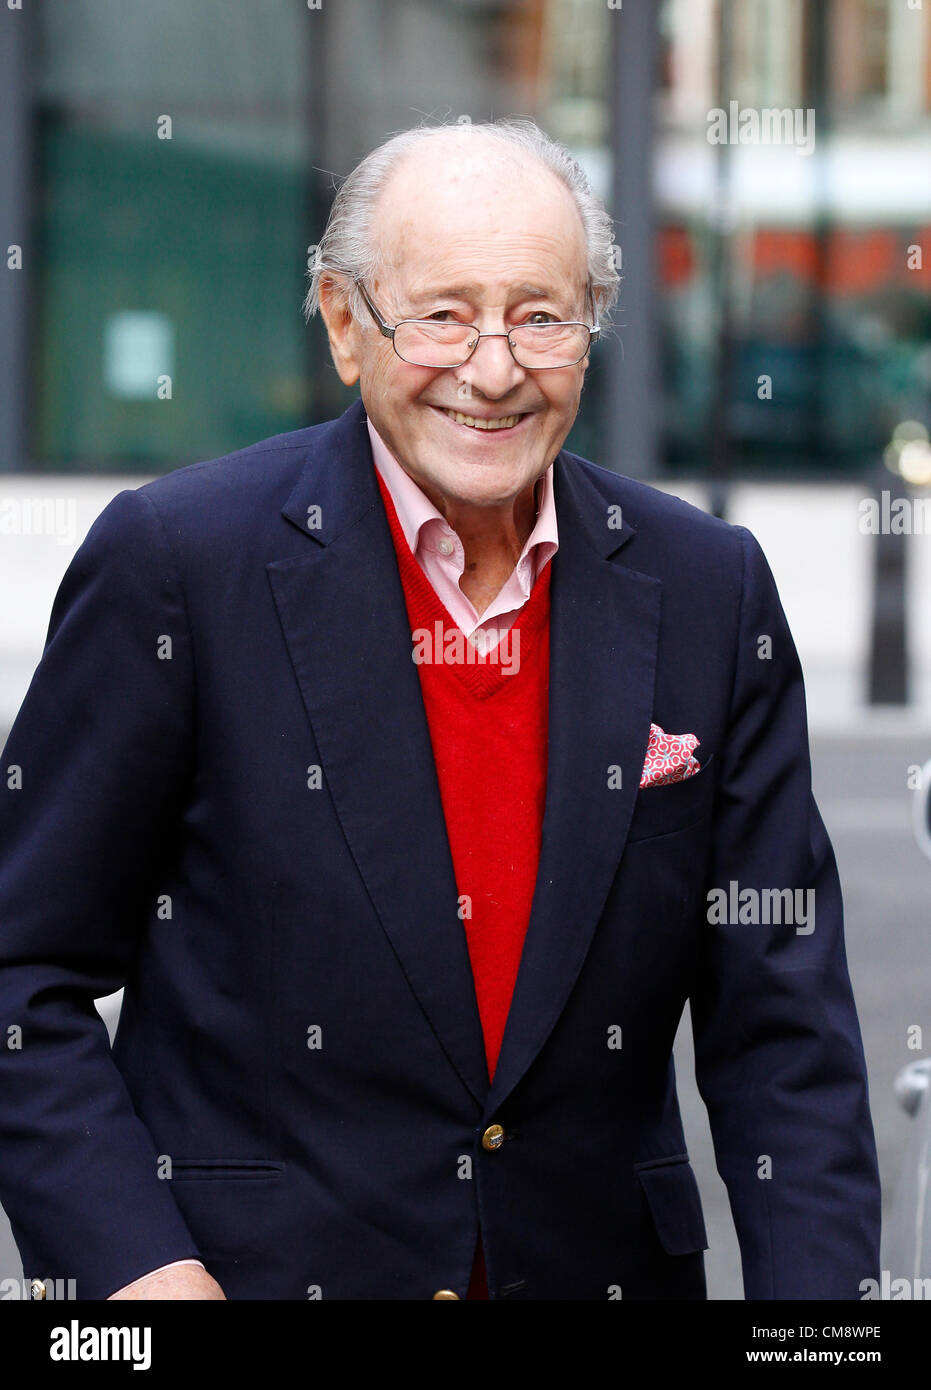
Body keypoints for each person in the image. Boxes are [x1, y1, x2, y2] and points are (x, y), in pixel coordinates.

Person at [0, 118, 880, 1300]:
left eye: (540, 313)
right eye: (445, 313)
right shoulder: (178, 566)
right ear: (344, 322)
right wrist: (141, 1275)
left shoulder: (708, 588)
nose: (495, 364)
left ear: (594, 325)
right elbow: (21, 974)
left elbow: (785, 1036)